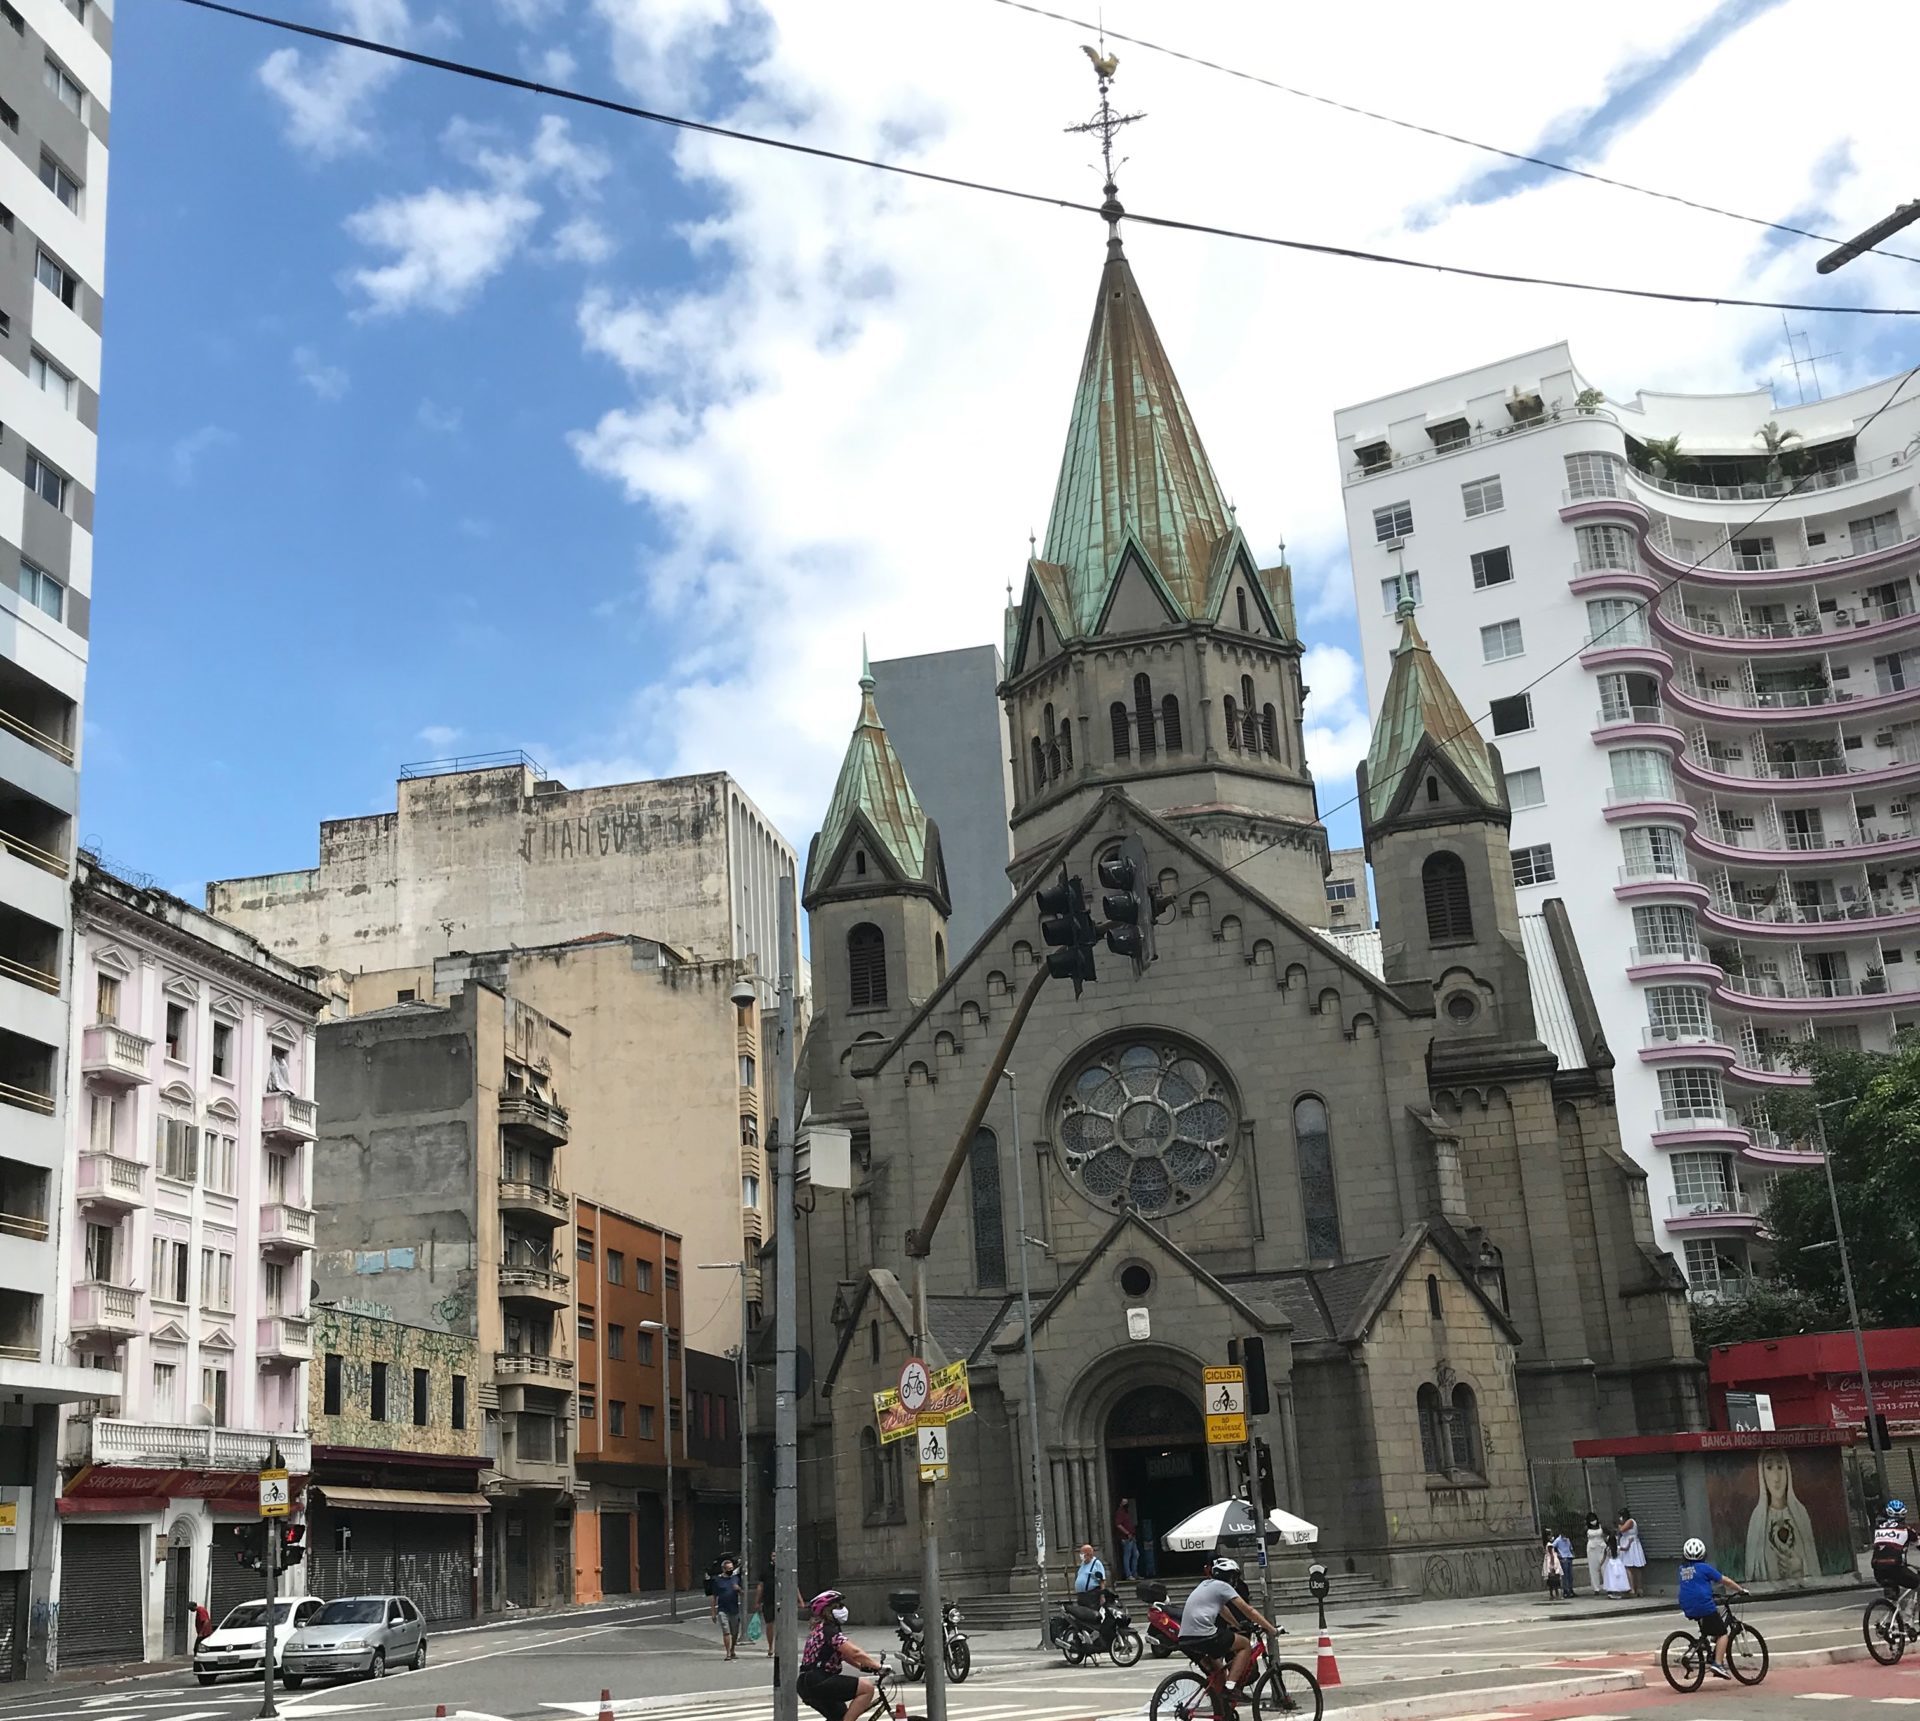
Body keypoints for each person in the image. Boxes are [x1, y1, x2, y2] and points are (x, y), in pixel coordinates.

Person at [1176, 1555, 1275, 1692]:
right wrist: (1270, 1628)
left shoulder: (1205, 1584)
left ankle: (1222, 1709)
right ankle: (1231, 1687)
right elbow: (1248, 1610)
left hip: (1185, 1638)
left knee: (1219, 1674)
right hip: (1204, 1635)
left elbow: (1223, 1610)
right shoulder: (1223, 1586)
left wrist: (1237, 1625)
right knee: (1244, 1645)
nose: (1235, 1580)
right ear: (1229, 1576)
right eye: (1234, 1577)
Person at [797, 1590, 883, 1721]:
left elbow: (844, 1655)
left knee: (840, 1716)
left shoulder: (821, 1629)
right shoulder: (829, 1630)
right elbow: (855, 1652)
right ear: (828, 1610)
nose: (843, 1609)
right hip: (819, 1680)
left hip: (807, 1682)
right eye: (838, 1606)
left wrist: (862, 1667)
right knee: (867, 1688)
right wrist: (879, 1666)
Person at [1677, 1535, 1749, 1678]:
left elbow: (1694, 1585)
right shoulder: (1705, 1568)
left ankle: (1704, 1642)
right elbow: (1725, 1581)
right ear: (1703, 1554)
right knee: (1723, 1633)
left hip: (1686, 1605)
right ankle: (1718, 1664)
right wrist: (1740, 1590)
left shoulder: (1682, 1569)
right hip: (1703, 1604)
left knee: (1711, 1622)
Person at [1743, 1447, 1817, 1583]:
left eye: (1780, 1467)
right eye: (1769, 1468)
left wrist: (1800, 1565)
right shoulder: (1757, 1518)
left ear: (1788, 1471)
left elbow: (1813, 1562)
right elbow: (1752, 1570)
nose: (1776, 1477)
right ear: (1762, 1474)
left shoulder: (1800, 1513)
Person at [1872, 1499, 1919, 1608]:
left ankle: (1890, 1619)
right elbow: (1917, 1543)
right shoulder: (1907, 1530)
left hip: (1877, 1570)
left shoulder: (1878, 1528)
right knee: (1917, 1584)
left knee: (1892, 1594)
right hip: (1895, 1568)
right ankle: (1907, 1620)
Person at [711, 1556, 743, 1661]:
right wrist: (713, 1612)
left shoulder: (736, 1578)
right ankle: (728, 1653)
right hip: (722, 1609)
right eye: (728, 1569)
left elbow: (743, 1593)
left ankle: (733, 1649)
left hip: (734, 1608)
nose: (730, 1571)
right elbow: (714, 1597)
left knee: (735, 1632)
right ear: (723, 1569)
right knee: (726, 1631)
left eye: (731, 1569)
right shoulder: (717, 1580)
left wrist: (739, 1589)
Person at [1617, 1509, 1645, 1598]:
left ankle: (1636, 1588)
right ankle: (1633, 1587)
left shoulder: (1630, 1521)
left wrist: (1619, 1525)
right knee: (1629, 1567)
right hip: (1627, 1544)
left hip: (1632, 1545)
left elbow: (1621, 1529)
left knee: (1634, 1567)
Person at [1115, 1497, 1140, 1580]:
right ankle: (1128, 1575)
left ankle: (1134, 1573)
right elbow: (1118, 1524)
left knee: (1136, 1554)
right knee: (1127, 1556)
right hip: (1126, 1538)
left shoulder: (1126, 1512)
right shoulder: (1120, 1512)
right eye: (1124, 1502)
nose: (1126, 1504)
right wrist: (1127, 1533)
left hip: (1131, 1537)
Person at [1601, 1528, 1630, 1597]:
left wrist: (1600, 1565)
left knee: (1611, 1578)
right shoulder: (1618, 1548)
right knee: (1619, 1577)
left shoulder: (1607, 1549)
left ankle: (1612, 1591)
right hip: (1618, 1563)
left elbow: (1604, 1558)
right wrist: (1630, 1542)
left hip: (1611, 1564)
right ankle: (1619, 1591)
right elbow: (1626, 1548)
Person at [1584, 1514, 1606, 1594]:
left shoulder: (1601, 1526)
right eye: (1591, 1519)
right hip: (1592, 1548)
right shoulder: (1587, 1528)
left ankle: (1607, 1585)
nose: (1593, 1521)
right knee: (1593, 1568)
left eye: (1594, 1519)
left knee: (1604, 1566)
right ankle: (1596, 1588)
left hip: (1601, 1547)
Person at [1552, 1527, 1576, 1597]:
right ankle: (1566, 1591)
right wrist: (1558, 1555)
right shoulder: (1558, 1540)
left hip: (1569, 1557)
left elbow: (1570, 1547)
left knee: (1570, 1576)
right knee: (1565, 1576)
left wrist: (1572, 1554)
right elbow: (1551, 1547)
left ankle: (1570, 1589)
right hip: (1563, 1558)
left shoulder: (1567, 1540)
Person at [1541, 1533, 1562, 1602]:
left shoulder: (1547, 1544)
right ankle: (1556, 1594)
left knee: (1551, 1580)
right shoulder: (1550, 1545)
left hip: (1549, 1561)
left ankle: (1552, 1595)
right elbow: (1551, 1555)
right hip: (1551, 1561)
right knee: (1554, 1579)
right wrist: (1552, 1566)